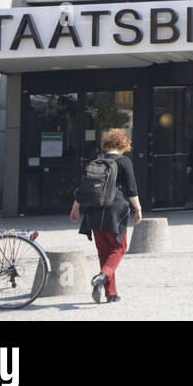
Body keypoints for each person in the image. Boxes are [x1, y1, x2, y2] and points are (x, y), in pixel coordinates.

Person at [71, 128, 142, 303]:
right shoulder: (124, 162)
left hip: (93, 212)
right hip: (114, 211)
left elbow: (83, 189)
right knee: (119, 248)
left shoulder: (96, 162)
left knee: (104, 252)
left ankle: (111, 293)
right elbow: (131, 189)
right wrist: (138, 209)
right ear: (123, 144)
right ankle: (102, 277)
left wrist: (75, 208)